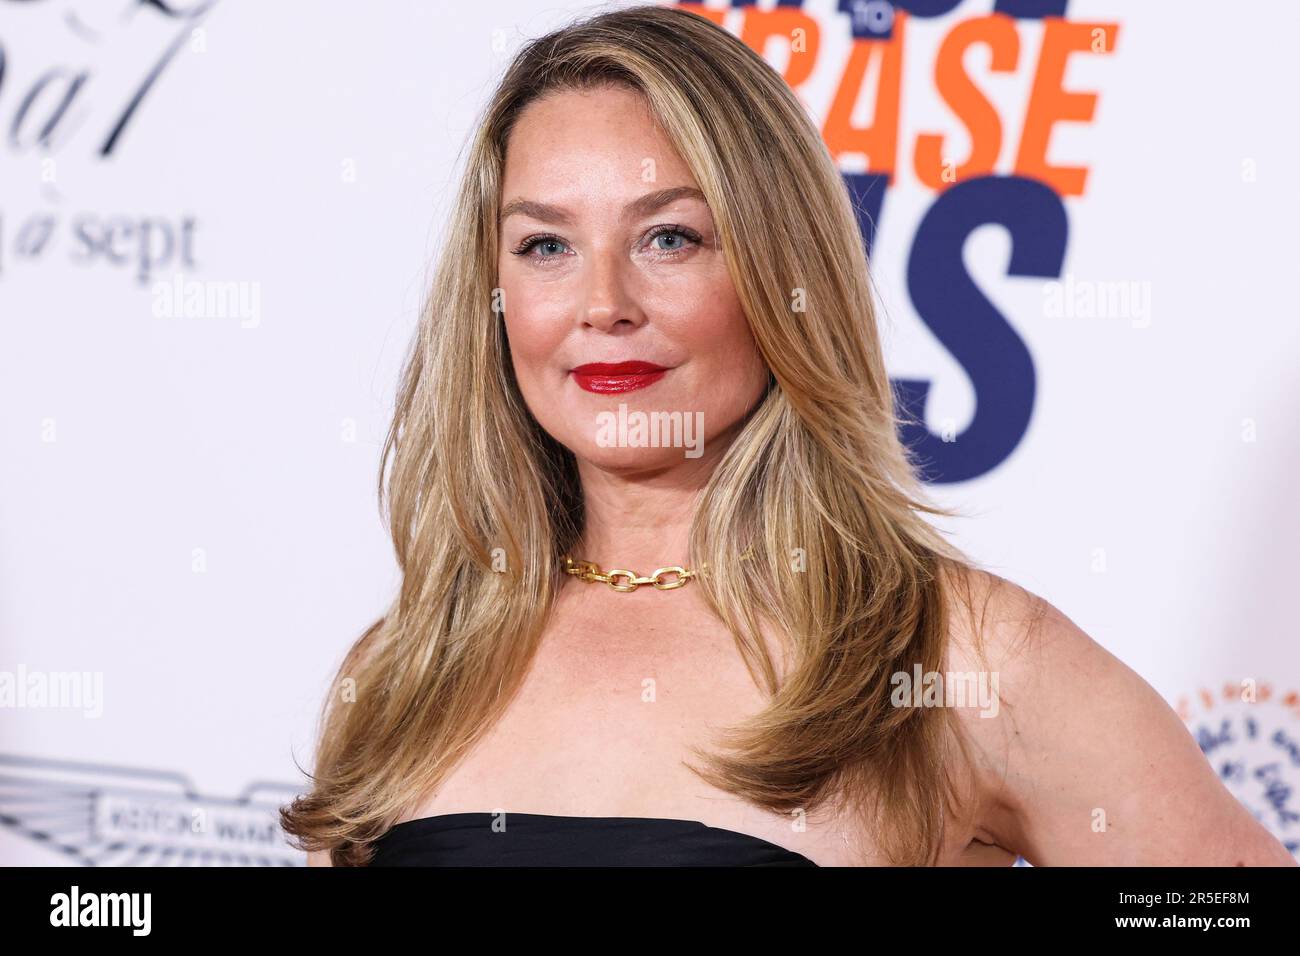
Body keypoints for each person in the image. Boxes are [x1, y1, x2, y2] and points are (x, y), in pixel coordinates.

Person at [280, 4, 1295, 867]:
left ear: (779, 266)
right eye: (545, 244)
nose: (603, 302)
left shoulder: (954, 652)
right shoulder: (413, 662)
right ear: (492, 294)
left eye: (668, 236)